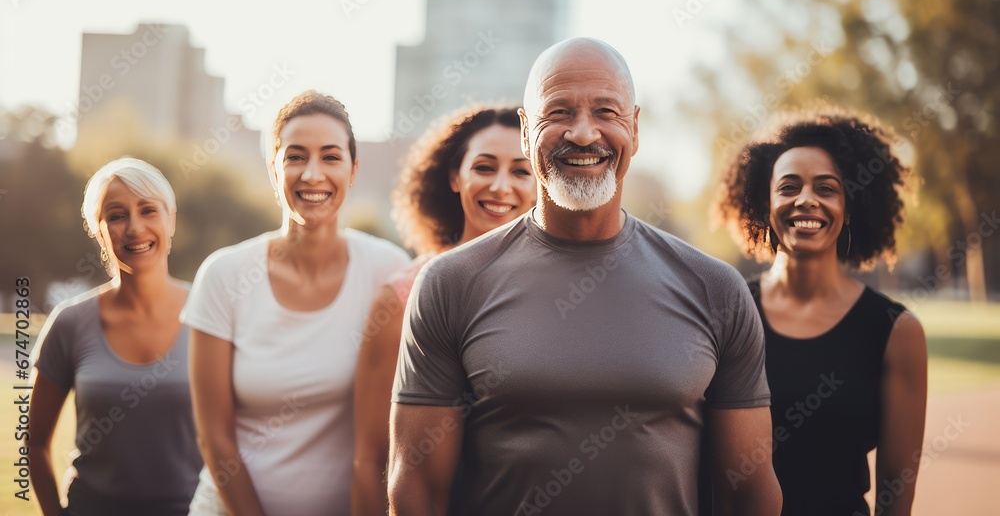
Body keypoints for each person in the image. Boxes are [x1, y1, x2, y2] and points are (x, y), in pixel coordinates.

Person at [387, 38, 782, 515]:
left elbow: (750, 492)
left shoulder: (715, 289)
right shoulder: (450, 283)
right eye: (558, 113)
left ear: (634, 128)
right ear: (526, 130)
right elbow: (417, 490)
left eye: (605, 112)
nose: (582, 133)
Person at [184, 90, 409, 516]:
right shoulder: (224, 275)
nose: (312, 174)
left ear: (353, 169)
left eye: (330, 157)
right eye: (295, 157)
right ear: (273, 169)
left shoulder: (388, 270)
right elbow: (214, 438)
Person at [715, 109, 927, 516]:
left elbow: (896, 499)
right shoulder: (727, 312)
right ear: (765, 204)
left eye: (826, 188)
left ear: (850, 207)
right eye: (789, 186)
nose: (806, 199)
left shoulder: (896, 331)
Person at [352, 105, 536, 515]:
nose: (502, 186)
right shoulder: (401, 296)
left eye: (521, 171)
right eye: (485, 167)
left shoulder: (560, 296)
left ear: (541, 183)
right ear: (455, 177)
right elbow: (371, 460)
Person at [28, 157, 201, 516]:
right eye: (117, 215)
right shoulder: (70, 323)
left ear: (171, 220)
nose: (135, 228)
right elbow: (36, 442)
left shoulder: (210, 314)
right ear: (99, 230)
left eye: (148, 210)